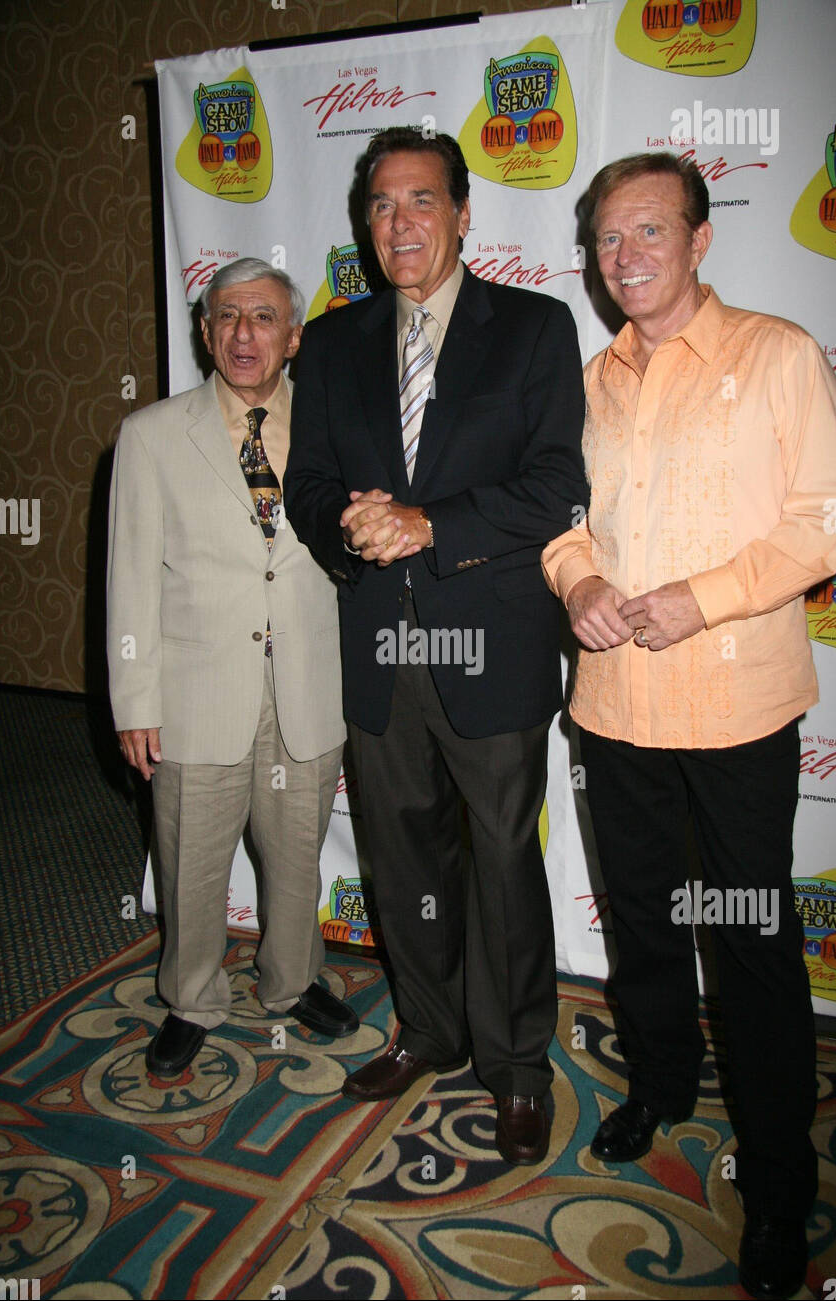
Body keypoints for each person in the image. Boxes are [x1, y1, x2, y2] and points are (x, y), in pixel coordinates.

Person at [542, 153, 836, 1296]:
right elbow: (560, 516)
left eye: (646, 233)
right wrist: (576, 581)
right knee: (638, 916)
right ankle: (659, 1085)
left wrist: (705, 595)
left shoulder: (775, 356)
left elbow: (831, 520)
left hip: (733, 710)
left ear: (697, 238)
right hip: (616, 706)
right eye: (605, 240)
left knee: (747, 941)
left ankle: (777, 1183)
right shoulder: (588, 381)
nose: (623, 257)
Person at [283, 127, 588, 1165]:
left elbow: (555, 484)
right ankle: (428, 1028)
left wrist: (428, 523)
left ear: (463, 214)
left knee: (502, 858)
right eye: (379, 204)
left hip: (489, 638)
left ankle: (513, 1065)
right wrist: (350, 526)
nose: (397, 222)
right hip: (376, 639)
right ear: (363, 224)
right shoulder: (327, 343)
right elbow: (309, 484)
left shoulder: (534, 329)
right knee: (399, 848)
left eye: (419, 201)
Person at [107, 257, 357, 1079]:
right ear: (206, 331)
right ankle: (190, 996)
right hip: (193, 693)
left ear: (293, 336)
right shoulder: (150, 435)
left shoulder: (337, 429)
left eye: (262, 318)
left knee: (296, 854)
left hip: (309, 686)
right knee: (190, 860)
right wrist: (134, 700)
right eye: (226, 317)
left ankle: (292, 982)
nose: (243, 334)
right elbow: (130, 578)